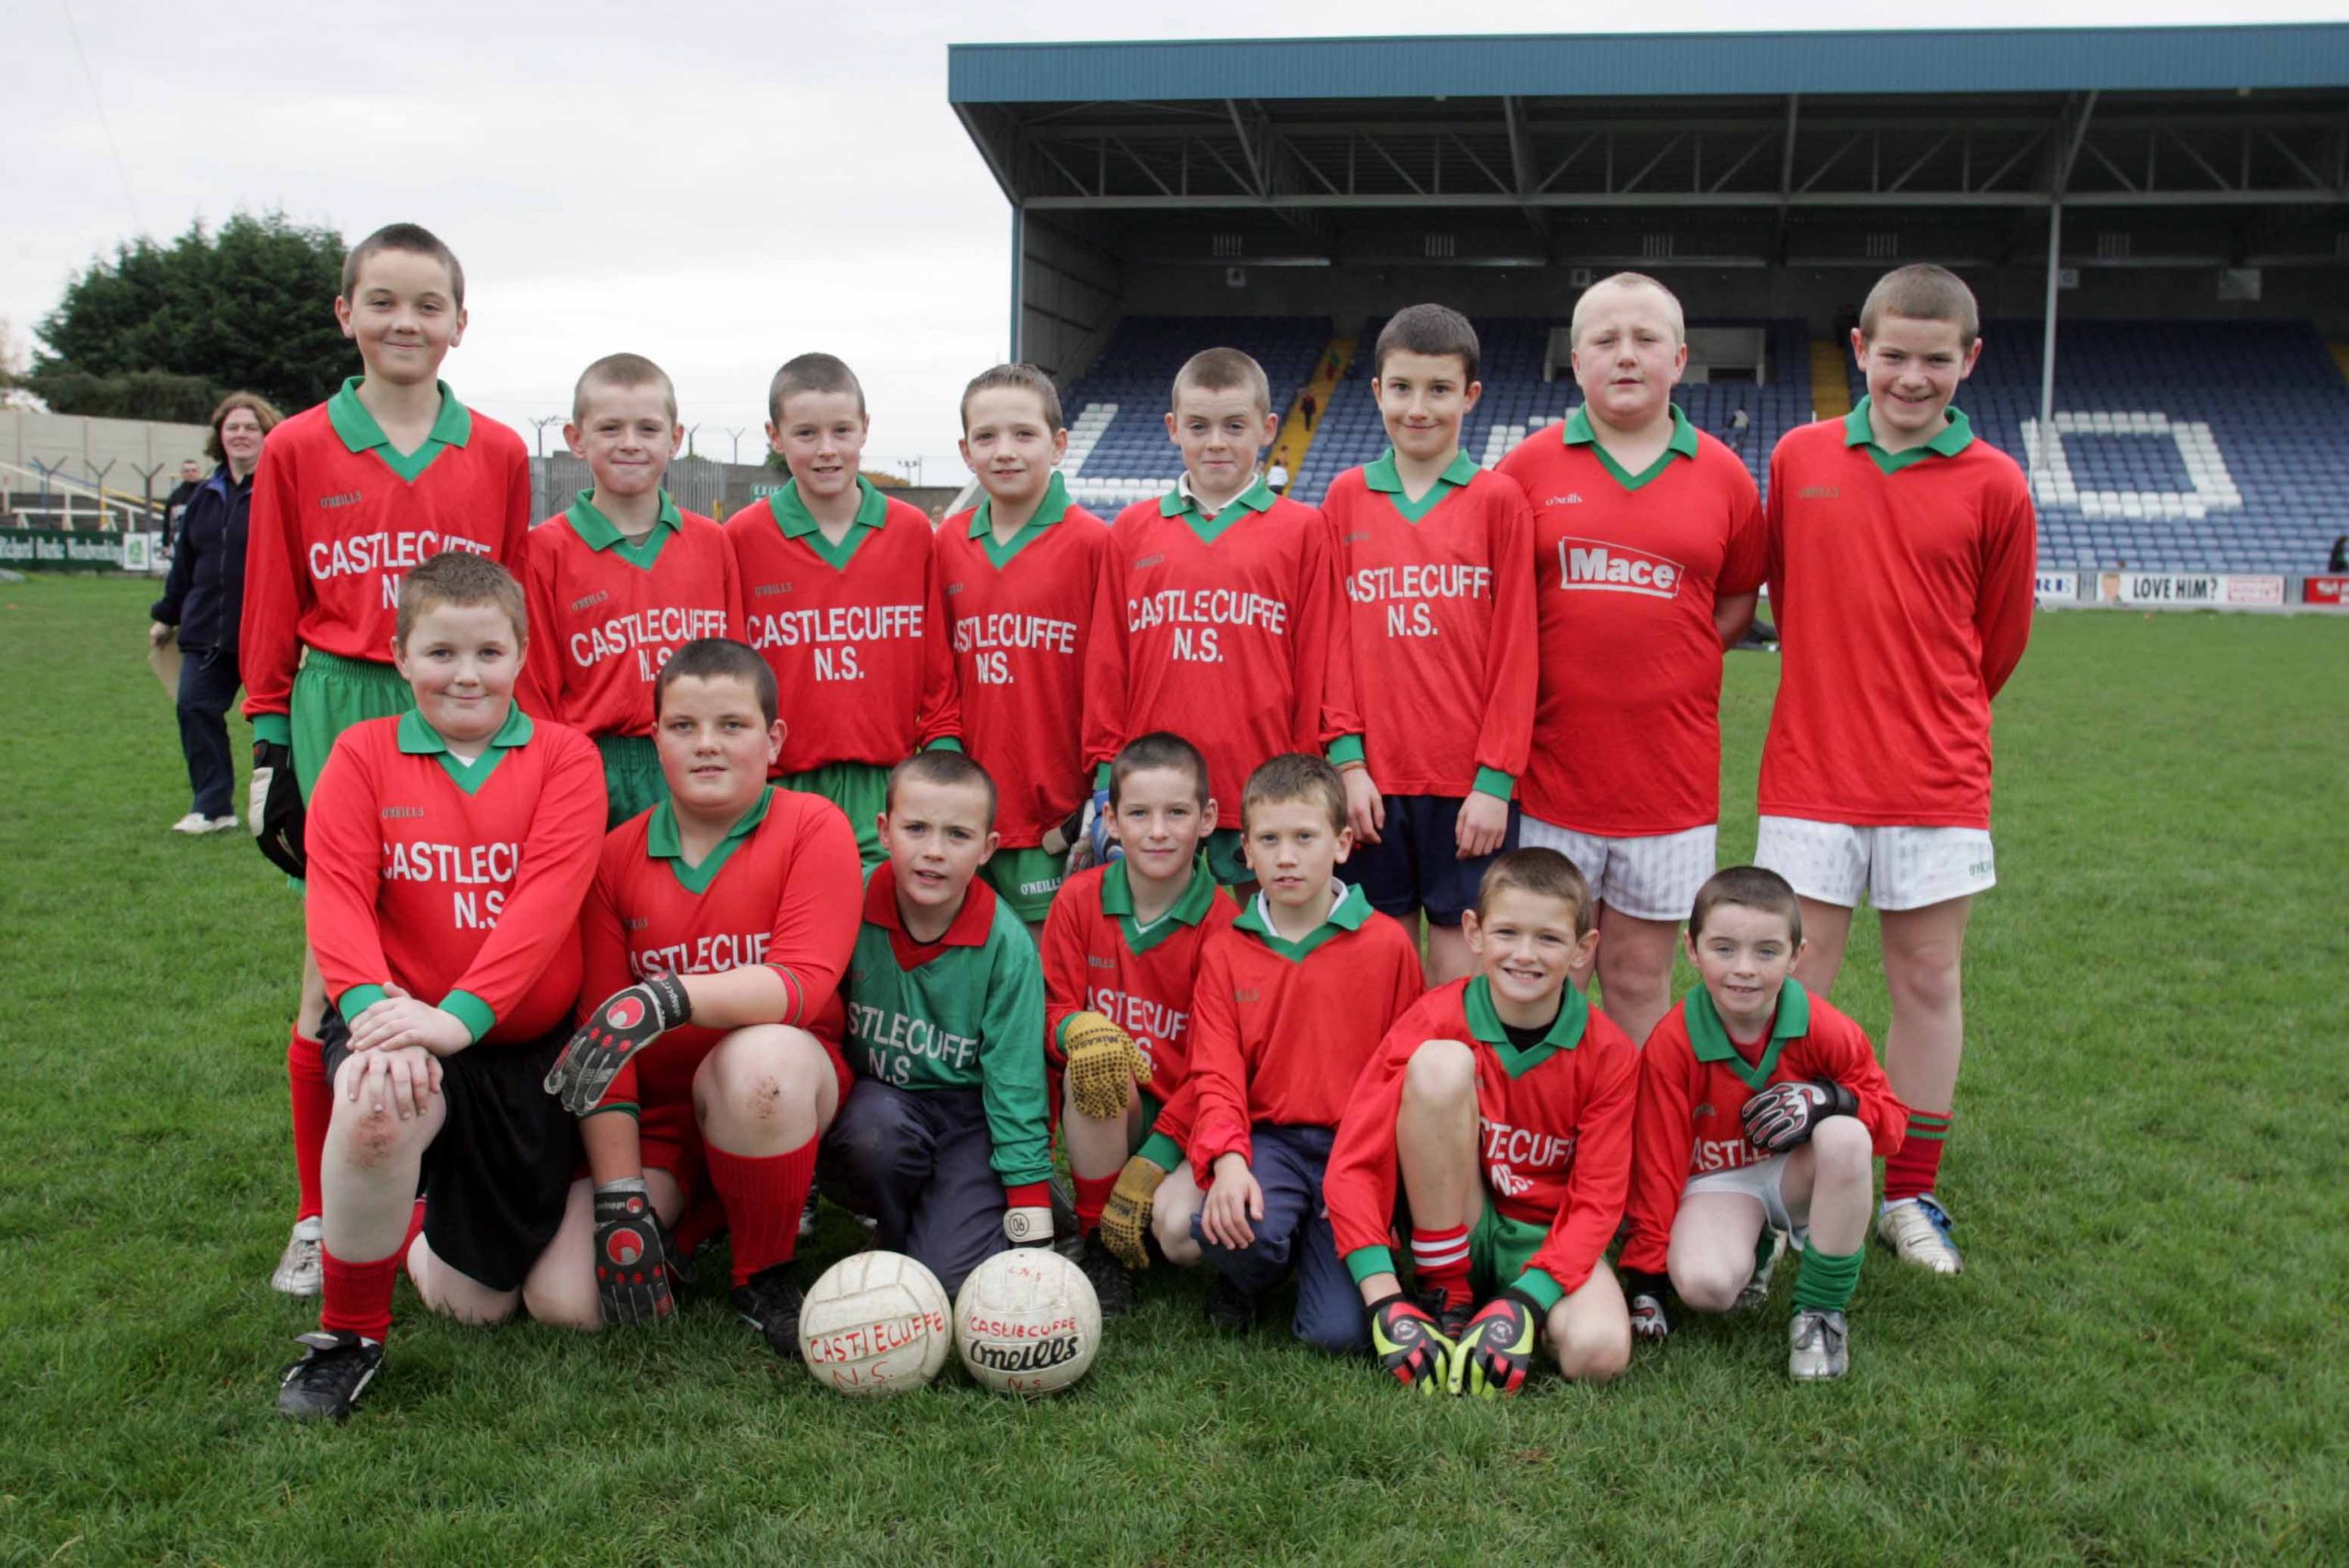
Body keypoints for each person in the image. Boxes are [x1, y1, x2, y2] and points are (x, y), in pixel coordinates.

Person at [239, 222, 532, 1297]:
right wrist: (270, 732)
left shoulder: (496, 450)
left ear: (460, 322)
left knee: (455, 923)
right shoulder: (299, 446)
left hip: (465, 699)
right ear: (345, 313)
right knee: (337, 959)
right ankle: (321, 1214)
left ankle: (423, 1179)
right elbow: (274, 591)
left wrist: (522, 731)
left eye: (427, 304)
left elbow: (515, 609)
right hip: (344, 699)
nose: (405, 322)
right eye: (383, 301)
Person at [273, 552, 605, 1420]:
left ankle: (414, 1224)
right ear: (399, 653)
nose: (466, 675)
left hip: (522, 1046)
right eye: (441, 652)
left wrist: (455, 1018)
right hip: (402, 1026)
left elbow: (544, 906)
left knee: (482, 1304)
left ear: (523, 654)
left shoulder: (566, 759)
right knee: (376, 1096)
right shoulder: (361, 752)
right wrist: (381, 1017)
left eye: (489, 653)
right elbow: (336, 895)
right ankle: (348, 1337)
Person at [1755, 263, 2035, 1276]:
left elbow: (1995, 640)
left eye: (1935, 360)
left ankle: (1908, 1191)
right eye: (1894, 355)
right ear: (1859, 348)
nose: (1911, 378)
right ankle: (1783, 1188)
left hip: (1936, 776)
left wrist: (1931, 711)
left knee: (1925, 978)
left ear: (1968, 360)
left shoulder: (1997, 481)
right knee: (1796, 984)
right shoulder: (1799, 456)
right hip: (1810, 772)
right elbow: (1785, 591)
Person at [535, 638, 863, 1356]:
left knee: (758, 1064)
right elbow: (601, 1044)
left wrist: (665, 998)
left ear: (773, 739)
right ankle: (705, 1207)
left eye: (732, 726)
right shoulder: (613, 857)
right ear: (655, 737)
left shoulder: (815, 826)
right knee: (566, 1299)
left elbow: (801, 985)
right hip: (659, 1111)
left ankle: (763, 1272)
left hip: (779, 1085)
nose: (706, 745)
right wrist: (620, 1196)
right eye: (683, 726)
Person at [1495, 273, 1765, 1048]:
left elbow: (1738, 598)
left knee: (1639, 979)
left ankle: (1640, 1159)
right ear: (1575, 360)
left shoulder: (1724, 475)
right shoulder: (1526, 470)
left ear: (1679, 358)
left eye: (1646, 339)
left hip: (1669, 784)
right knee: (1547, 979)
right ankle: (1543, 1147)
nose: (1626, 355)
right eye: (1606, 340)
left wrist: (1670, 664)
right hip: (1550, 778)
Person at [1326, 849, 1636, 1396]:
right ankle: (1445, 1293)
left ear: (1584, 949)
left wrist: (1528, 1300)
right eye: (1508, 932)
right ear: (1474, 932)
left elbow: (1599, 1198)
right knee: (1441, 1064)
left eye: (1549, 939)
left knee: (1599, 1352)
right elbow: (1354, 1159)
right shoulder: (1434, 1017)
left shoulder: (1608, 1052)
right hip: (1454, 1219)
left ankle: (1505, 1313)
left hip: (1543, 1236)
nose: (1524, 954)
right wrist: (1382, 1298)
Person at [1148, 753, 1423, 1351]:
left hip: (1350, 1150)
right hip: (1267, 1140)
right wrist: (1228, 1162)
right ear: (1245, 850)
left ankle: (1313, 1251)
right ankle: (1252, 1276)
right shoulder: (1226, 950)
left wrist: (1370, 1180)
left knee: (1339, 1335)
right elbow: (1215, 1072)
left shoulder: (1388, 946)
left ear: (1343, 842)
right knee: (1231, 1223)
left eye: (1305, 836)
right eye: (1269, 839)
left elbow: (1400, 1079)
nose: (1287, 856)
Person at [1082, 348, 1360, 888]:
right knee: (1158, 956)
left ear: (1267, 428)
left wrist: (1309, 776)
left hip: (1263, 791)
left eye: (1234, 426)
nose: (1215, 442)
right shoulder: (1131, 531)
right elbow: (1107, 668)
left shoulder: (1304, 530)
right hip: (1156, 798)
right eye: (1198, 426)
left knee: (1259, 958)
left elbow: (1324, 662)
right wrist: (1103, 780)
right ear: (1172, 428)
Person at [1618, 867, 1908, 1381]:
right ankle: (1755, 1247)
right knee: (1705, 1287)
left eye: (1767, 952)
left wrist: (1829, 1099)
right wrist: (1645, 1278)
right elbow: (1657, 1161)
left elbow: (1891, 1123)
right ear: (1692, 948)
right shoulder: (1674, 1042)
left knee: (1846, 1135)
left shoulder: (1824, 1026)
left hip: (1795, 1171)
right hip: (1720, 1181)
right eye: (1724, 949)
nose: (1744, 969)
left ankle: (1819, 1311)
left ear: (1796, 955)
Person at [1322, 305, 1536, 985]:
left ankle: (1452, 1094)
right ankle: (1376, 1097)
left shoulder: (1499, 500)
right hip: (1371, 787)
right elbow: (1330, 640)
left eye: (1440, 389)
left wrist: (1495, 780)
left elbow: (1516, 652)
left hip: (1466, 788)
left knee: (1457, 972)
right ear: (1377, 390)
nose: (1419, 407)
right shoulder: (1346, 496)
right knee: (1372, 971)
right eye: (1403, 388)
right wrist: (1348, 762)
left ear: (1470, 396)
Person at [817, 751, 1052, 1297]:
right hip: (878, 1106)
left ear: (988, 848)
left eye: (958, 835)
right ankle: (895, 1230)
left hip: (968, 1121)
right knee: (874, 1137)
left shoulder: (1007, 946)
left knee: (947, 1282)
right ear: (884, 829)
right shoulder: (847, 899)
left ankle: (980, 1201)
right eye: (915, 828)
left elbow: (1015, 1086)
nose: (933, 852)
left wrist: (1029, 1204)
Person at [724, 353, 959, 867]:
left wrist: (942, 767)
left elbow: (938, 675)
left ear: (865, 430)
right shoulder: (741, 537)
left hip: (888, 785)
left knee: (889, 941)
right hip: (781, 787)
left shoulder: (910, 530)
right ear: (775, 435)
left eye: (842, 431)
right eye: (805, 433)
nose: (826, 450)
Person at [1041, 731, 1238, 1312]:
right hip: (1109, 1109)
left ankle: (1143, 1215)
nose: (1157, 831)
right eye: (1139, 813)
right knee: (1095, 1060)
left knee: (1181, 1239)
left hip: (1183, 1125)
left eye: (1176, 813)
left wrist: (1153, 1163)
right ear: (1110, 819)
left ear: (1207, 819)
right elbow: (1050, 1011)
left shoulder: (1225, 924)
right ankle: (1101, 1243)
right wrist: (1072, 1028)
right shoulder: (1078, 900)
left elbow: (1215, 1068)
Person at [516, 353, 740, 827]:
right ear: (576, 440)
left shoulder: (712, 542)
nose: (630, 444)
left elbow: (736, 666)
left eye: (648, 429)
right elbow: (535, 689)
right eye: (610, 428)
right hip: (592, 762)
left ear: (676, 439)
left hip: (697, 755)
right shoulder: (545, 550)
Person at [934, 364, 1108, 933]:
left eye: (1023, 434)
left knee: (1044, 979)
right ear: (965, 450)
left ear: (1059, 444)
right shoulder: (947, 546)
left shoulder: (1094, 543)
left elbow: (1110, 681)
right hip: (965, 812)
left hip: (1055, 819)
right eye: (986, 437)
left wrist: (1100, 790)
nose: (1004, 451)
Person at [150, 392, 282, 834]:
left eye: (250, 427)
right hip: (206, 628)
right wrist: (166, 615)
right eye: (232, 428)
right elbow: (185, 562)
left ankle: (292, 805)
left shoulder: (281, 488)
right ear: (219, 437)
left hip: (269, 629)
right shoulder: (205, 494)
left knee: (281, 721)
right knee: (194, 708)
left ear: (268, 434)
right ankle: (212, 807)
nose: (241, 435)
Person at [161, 456, 205, 549]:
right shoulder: (175, 496)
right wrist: (165, 544)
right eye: (187, 471)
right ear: (182, 474)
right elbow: (167, 521)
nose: (190, 473)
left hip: (204, 541)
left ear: (198, 472)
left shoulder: (207, 492)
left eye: (193, 470)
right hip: (182, 541)